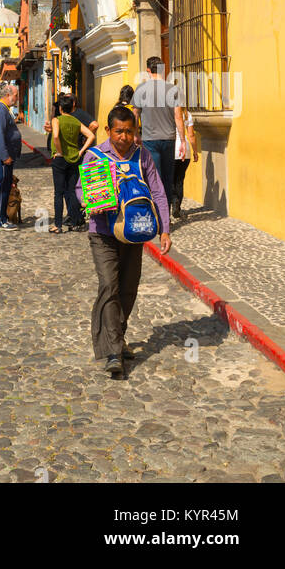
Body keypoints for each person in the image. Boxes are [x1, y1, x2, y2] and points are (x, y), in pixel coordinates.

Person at [79, 104, 171, 377]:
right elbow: (80, 190)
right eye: (119, 131)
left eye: (130, 132)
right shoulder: (94, 156)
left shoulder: (142, 156)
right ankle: (114, 351)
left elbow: (158, 191)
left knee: (128, 289)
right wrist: (92, 200)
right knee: (109, 285)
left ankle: (117, 334)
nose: (124, 137)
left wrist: (164, 229)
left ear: (135, 131)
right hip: (102, 233)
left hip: (133, 232)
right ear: (109, 130)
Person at [132, 57, 186, 205]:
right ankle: (165, 214)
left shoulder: (140, 89)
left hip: (149, 139)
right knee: (168, 179)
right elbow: (178, 117)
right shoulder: (174, 89)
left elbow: (135, 114)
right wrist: (183, 141)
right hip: (169, 139)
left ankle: (157, 212)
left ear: (148, 70)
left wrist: (136, 135)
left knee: (154, 178)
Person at [49, 93, 95, 233]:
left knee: (59, 192)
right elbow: (91, 135)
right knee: (72, 191)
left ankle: (58, 225)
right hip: (74, 158)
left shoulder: (56, 120)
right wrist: (81, 152)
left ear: (61, 108)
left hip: (60, 159)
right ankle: (76, 222)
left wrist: (59, 151)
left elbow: (56, 136)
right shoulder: (76, 121)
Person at [0, 83, 22, 230]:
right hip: (2, 156)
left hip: (6, 155)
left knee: (6, 187)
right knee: (2, 188)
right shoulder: (0, 110)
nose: (17, 98)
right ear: (8, 95)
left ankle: (3, 217)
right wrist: (4, 155)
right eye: (15, 95)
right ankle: (0, 221)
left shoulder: (4, 109)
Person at [172, 108, 198, 222]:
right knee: (179, 179)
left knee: (171, 180)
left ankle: (173, 201)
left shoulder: (169, 112)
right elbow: (191, 135)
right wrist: (195, 151)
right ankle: (177, 206)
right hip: (185, 150)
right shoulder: (188, 114)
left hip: (172, 149)